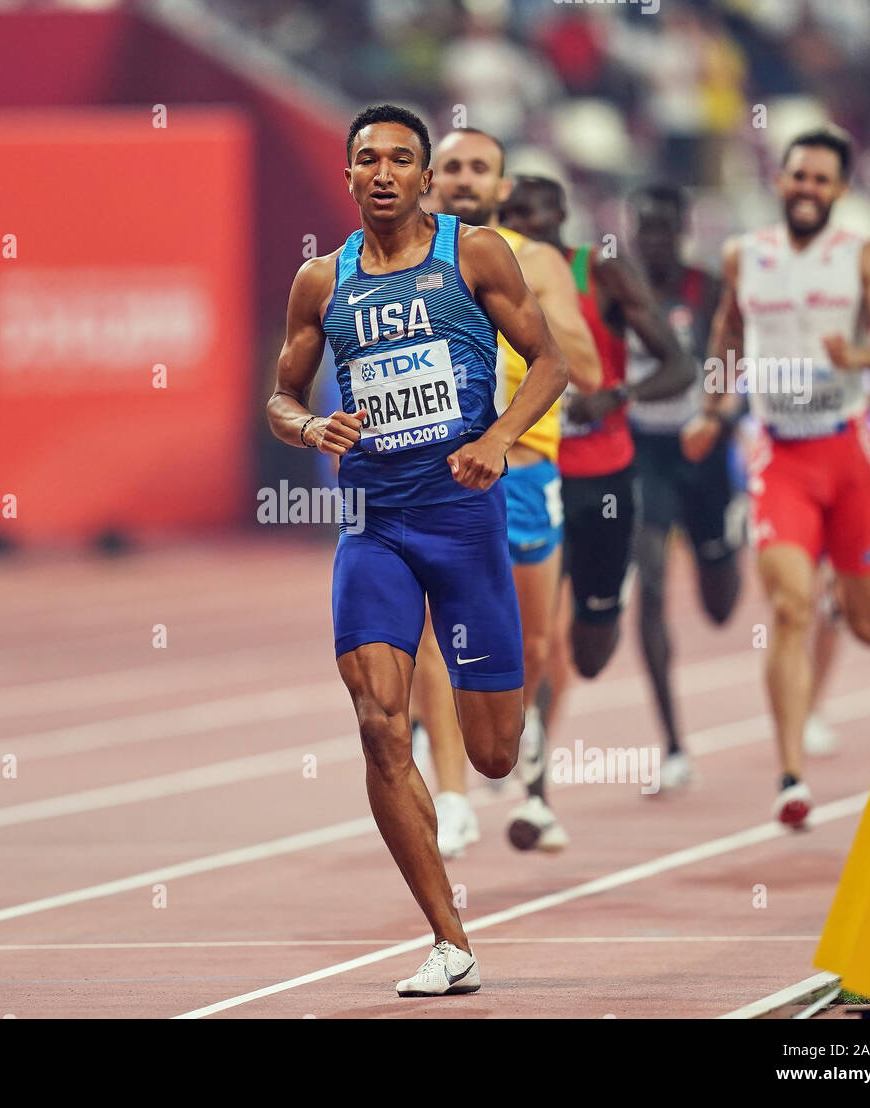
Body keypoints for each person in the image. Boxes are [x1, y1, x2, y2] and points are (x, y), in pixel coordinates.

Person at [267, 104, 567, 995]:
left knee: (494, 754)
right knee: (376, 721)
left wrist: (502, 437)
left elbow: (548, 362)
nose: (386, 173)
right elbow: (280, 398)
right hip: (374, 529)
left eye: (404, 159)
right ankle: (450, 938)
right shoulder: (320, 282)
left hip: (465, 525)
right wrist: (313, 423)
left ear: (427, 176)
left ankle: (517, 737)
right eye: (370, 160)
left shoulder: (474, 256)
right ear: (349, 177)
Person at [683, 127, 870, 828]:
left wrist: (859, 353)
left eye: (822, 179)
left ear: (840, 190)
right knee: (788, 606)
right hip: (778, 455)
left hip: (847, 456)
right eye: (798, 176)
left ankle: (845, 597)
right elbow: (726, 340)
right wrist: (715, 408)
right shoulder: (744, 256)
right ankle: (791, 778)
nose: (808, 189)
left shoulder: (865, 257)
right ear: (780, 181)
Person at [411, 128, 602, 860]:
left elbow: (579, 366)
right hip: (435, 474)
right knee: (431, 637)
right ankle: (453, 798)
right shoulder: (406, 263)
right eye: (451, 167)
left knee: (532, 644)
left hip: (522, 472)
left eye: (478, 169)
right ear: (433, 180)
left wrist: (507, 310)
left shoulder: (536, 260)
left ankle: (514, 766)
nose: (463, 179)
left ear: (500, 188)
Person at [500, 176, 696, 840]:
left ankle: (601, 613)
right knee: (545, 639)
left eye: (540, 214)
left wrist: (614, 396)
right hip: (537, 472)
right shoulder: (489, 278)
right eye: (515, 216)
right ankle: (535, 793)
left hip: (605, 479)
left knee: (588, 646)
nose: (529, 226)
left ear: (565, 215)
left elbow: (678, 366)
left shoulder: (600, 272)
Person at [625, 184, 742, 793]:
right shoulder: (618, 289)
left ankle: (723, 551)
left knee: (721, 606)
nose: (653, 241)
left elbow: (735, 364)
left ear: (682, 232)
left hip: (704, 453)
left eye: (664, 230)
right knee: (648, 583)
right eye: (643, 230)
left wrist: (720, 415)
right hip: (644, 453)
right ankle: (672, 744)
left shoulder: (710, 291)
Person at [803, 371, 870, 756]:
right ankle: (799, 708)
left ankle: (813, 708)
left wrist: (844, 386)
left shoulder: (861, 344)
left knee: (835, 605)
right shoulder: (786, 336)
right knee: (800, 598)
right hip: (797, 473)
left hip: (852, 477)